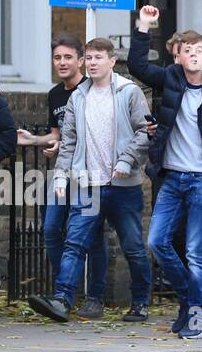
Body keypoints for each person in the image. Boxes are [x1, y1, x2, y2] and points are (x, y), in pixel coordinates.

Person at [130, 6, 202, 337]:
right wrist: (144, 26)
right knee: (158, 242)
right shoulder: (169, 79)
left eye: (199, 51)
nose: (193, 55)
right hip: (171, 178)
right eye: (187, 51)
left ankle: (196, 317)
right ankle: (194, 300)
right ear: (179, 58)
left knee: (197, 251)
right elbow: (138, 66)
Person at [29, 39, 152, 324]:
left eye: (98, 57)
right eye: (89, 58)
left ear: (112, 61)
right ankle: (62, 300)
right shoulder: (78, 97)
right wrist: (61, 175)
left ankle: (141, 302)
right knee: (74, 242)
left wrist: (126, 160)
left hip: (124, 186)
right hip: (87, 185)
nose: (93, 62)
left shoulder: (129, 92)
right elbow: (68, 141)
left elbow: (145, 131)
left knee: (132, 246)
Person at [17, 35, 109, 319]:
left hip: (90, 174)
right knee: (51, 229)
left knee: (92, 238)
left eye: (68, 57)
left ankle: (94, 296)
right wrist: (35, 140)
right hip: (62, 175)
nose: (62, 62)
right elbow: (56, 136)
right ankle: (63, 288)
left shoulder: (92, 88)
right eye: (57, 58)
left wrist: (64, 145)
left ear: (81, 60)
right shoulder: (56, 94)